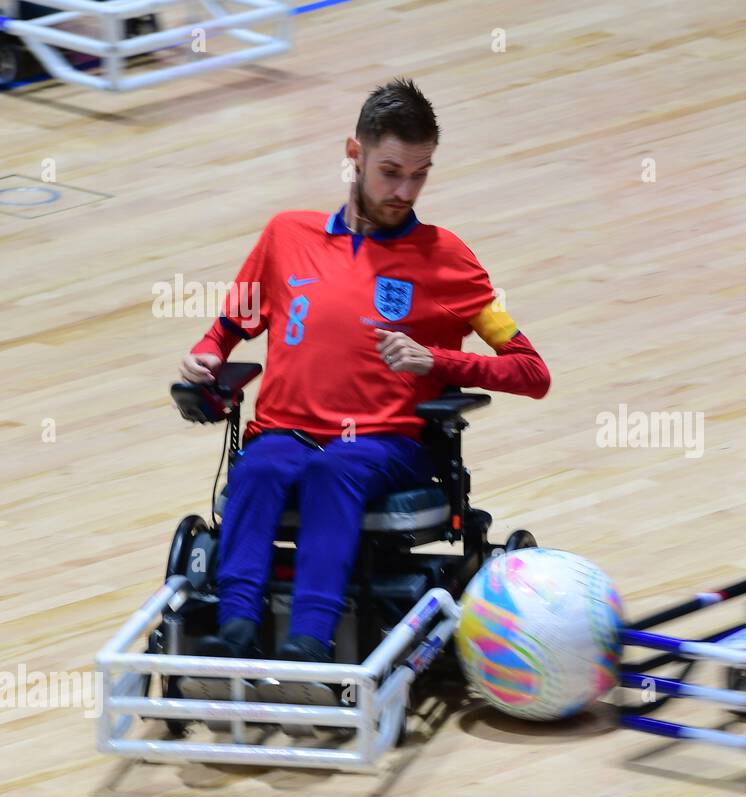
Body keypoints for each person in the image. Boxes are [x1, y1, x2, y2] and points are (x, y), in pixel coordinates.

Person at [179, 77, 550, 666]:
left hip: (385, 445)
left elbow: (532, 372)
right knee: (258, 471)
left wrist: (440, 361)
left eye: (421, 173)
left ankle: (311, 640)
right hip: (286, 432)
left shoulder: (447, 259)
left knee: (336, 473)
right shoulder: (286, 236)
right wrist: (206, 355)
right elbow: (230, 325)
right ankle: (235, 631)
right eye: (391, 171)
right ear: (354, 154)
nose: (405, 190)